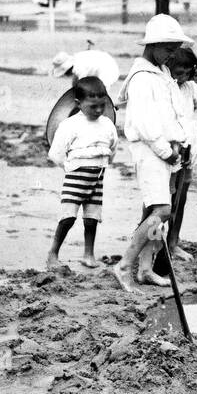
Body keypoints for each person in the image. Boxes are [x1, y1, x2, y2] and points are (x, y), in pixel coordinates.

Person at [114, 13, 193, 290]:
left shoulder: (162, 72)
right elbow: (145, 123)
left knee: (159, 210)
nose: (171, 55)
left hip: (168, 149)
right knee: (161, 209)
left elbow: (173, 112)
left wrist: (180, 144)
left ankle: (145, 267)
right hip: (151, 150)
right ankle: (125, 264)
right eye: (168, 49)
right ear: (152, 45)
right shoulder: (142, 77)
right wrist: (165, 150)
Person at [46, 76, 117, 269]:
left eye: (102, 106)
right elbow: (55, 153)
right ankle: (53, 253)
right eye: (93, 106)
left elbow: (113, 147)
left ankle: (88, 253)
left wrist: (105, 162)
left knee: (92, 218)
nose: (99, 110)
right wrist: (69, 167)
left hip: (97, 178)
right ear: (78, 103)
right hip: (76, 176)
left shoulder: (108, 124)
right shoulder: (70, 125)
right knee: (68, 216)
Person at [161, 45, 197, 263]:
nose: (181, 77)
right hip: (167, 149)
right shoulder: (164, 86)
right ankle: (154, 242)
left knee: (180, 199)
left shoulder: (191, 87)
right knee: (161, 200)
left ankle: (173, 242)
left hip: (188, 149)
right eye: (177, 73)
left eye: (185, 73)